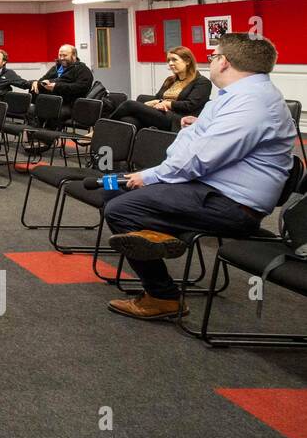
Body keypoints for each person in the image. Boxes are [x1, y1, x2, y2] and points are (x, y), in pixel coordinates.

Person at [102, 33, 295, 320]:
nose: (211, 62)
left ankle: (162, 297)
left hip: (232, 205)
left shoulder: (252, 103)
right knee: (113, 188)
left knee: (122, 207)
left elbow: (199, 157)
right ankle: (158, 234)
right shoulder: (236, 97)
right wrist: (192, 135)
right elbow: (185, 144)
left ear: (225, 62)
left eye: (213, 57)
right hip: (207, 189)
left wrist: (150, 176)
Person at [108, 46, 210, 131]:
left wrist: (167, 104)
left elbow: (190, 105)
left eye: (174, 60)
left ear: (187, 61)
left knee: (129, 104)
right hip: (161, 114)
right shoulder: (170, 80)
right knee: (128, 120)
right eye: (169, 60)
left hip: (178, 119)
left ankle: (102, 127)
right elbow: (158, 97)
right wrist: (156, 102)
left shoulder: (201, 82)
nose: (170, 63)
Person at [31, 44, 92, 121]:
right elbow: (42, 79)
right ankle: (35, 131)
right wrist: (36, 82)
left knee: (52, 114)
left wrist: (56, 87)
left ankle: (51, 132)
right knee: (32, 111)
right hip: (52, 101)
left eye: (65, 55)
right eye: (60, 55)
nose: (61, 58)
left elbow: (81, 87)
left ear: (74, 55)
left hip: (70, 104)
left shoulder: (83, 70)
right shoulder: (56, 68)